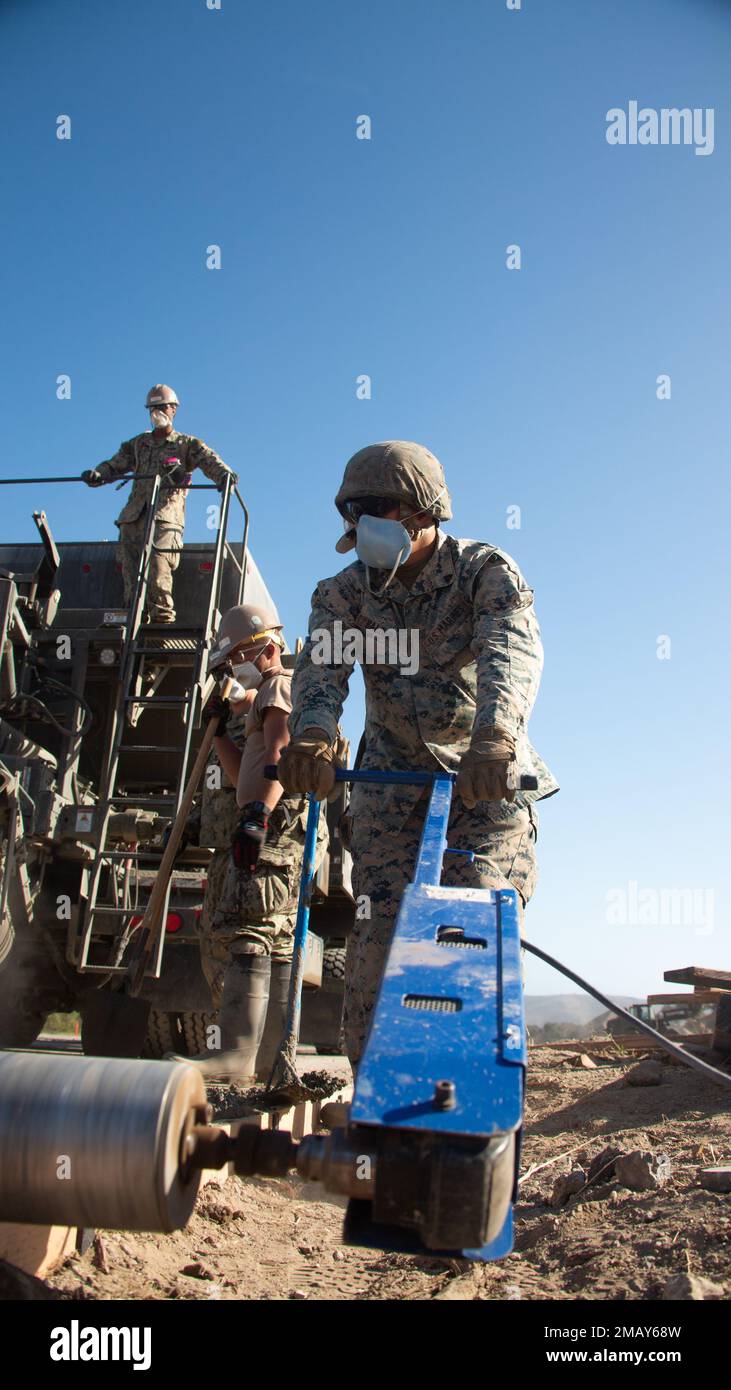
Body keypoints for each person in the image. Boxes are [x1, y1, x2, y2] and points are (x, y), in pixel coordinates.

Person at [278, 440, 559, 1068]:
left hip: (482, 781)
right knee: (380, 938)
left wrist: (495, 739)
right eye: (355, 511)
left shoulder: (483, 571)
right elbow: (322, 671)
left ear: (423, 510)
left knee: (471, 922)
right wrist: (313, 737)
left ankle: (471, 1090)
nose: (364, 522)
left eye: (378, 508)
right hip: (390, 791)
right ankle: (378, 1092)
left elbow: (510, 652)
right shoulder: (344, 593)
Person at [195, 602, 328, 1082]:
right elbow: (241, 777)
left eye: (237, 657)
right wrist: (218, 735)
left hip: (275, 827)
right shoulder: (260, 697)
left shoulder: (278, 685)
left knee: (249, 927)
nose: (233, 668)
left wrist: (257, 814)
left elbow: (278, 750)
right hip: (271, 823)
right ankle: (271, 1062)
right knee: (275, 938)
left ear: (267, 648)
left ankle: (236, 1055)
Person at [80, 384, 237, 624]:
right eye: (153, 409)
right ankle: (134, 614)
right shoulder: (138, 444)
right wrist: (98, 474)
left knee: (158, 562)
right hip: (134, 516)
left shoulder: (186, 444)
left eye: (162, 407)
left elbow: (210, 461)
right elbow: (115, 465)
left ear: (174, 409)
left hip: (165, 516)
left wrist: (225, 476)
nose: (157, 413)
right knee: (130, 565)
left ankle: (161, 616)